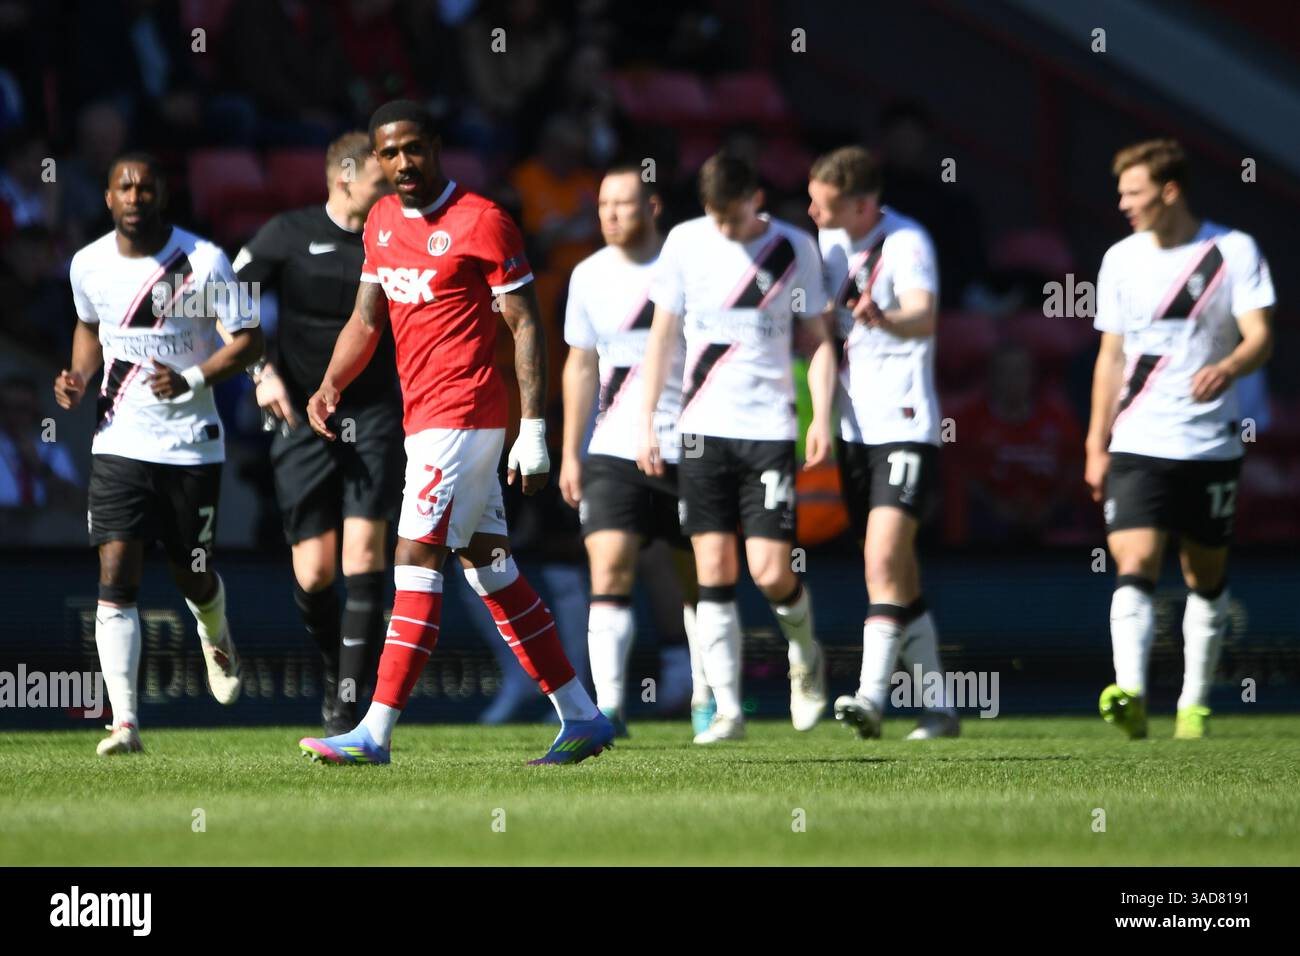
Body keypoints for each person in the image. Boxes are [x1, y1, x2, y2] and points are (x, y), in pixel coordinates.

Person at [297, 100, 612, 766]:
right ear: (376, 160)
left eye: (415, 148)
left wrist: (533, 429)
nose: (404, 162)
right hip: (424, 421)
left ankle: (374, 734)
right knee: (492, 569)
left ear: (436, 147)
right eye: (391, 153)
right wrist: (329, 385)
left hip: (464, 416)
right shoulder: (381, 222)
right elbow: (366, 320)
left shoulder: (483, 220)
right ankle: (582, 716)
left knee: (414, 560)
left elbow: (525, 324)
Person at [56, 152, 263, 755]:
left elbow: (251, 340)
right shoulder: (86, 263)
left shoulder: (206, 260)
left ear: (162, 195)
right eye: (124, 186)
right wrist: (76, 375)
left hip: (191, 447)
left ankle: (215, 626)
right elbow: (88, 326)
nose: (135, 195)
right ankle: (125, 723)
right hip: (118, 441)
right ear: (107, 197)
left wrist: (194, 378)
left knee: (191, 573)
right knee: (116, 573)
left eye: (146, 186)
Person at [637, 150, 836, 744]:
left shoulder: (793, 247)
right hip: (700, 428)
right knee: (713, 570)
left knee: (772, 571)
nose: (726, 227)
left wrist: (818, 415)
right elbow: (663, 336)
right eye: (716, 216)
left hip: (769, 427)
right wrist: (650, 420)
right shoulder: (685, 244)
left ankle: (806, 659)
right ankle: (728, 708)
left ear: (757, 200)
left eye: (735, 215)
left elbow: (819, 338)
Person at [1085, 139, 1274, 740]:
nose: (1124, 204)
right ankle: (1132, 694)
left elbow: (1260, 336)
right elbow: (1110, 357)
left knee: (1204, 575)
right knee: (1134, 562)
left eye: (1134, 193)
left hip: (1210, 441)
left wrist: (1231, 367)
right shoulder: (1120, 259)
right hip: (1138, 439)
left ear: (1170, 193)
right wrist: (1096, 444)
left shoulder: (1232, 250)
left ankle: (1193, 705)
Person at [232, 131, 400, 736]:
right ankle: (337, 665)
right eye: (382, 182)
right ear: (344, 179)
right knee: (315, 573)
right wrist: (260, 372)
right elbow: (229, 291)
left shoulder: (395, 235)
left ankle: (349, 710)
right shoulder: (289, 232)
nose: (393, 191)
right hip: (301, 416)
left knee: (363, 555)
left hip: (376, 411)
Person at [806, 145, 957, 740]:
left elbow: (925, 316)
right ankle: (941, 709)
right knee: (898, 573)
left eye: (825, 200)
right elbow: (820, 338)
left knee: (880, 559)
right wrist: (819, 416)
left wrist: (885, 317)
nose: (813, 209)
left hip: (904, 423)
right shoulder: (826, 245)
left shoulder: (908, 242)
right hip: (853, 429)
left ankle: (870, 696)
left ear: (863, 203)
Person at [559, 163, 706, 737]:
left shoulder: (688, 267)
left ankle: (708, 697)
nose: (611, 215)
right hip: (614, 446)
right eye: (602, 206)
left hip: (689, 441)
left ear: (654, 206)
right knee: (610, 566)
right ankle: (610, 710)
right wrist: (572, 451)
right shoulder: (587, 274)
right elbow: (580, 364)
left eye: (623, 203)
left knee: (699, 578)